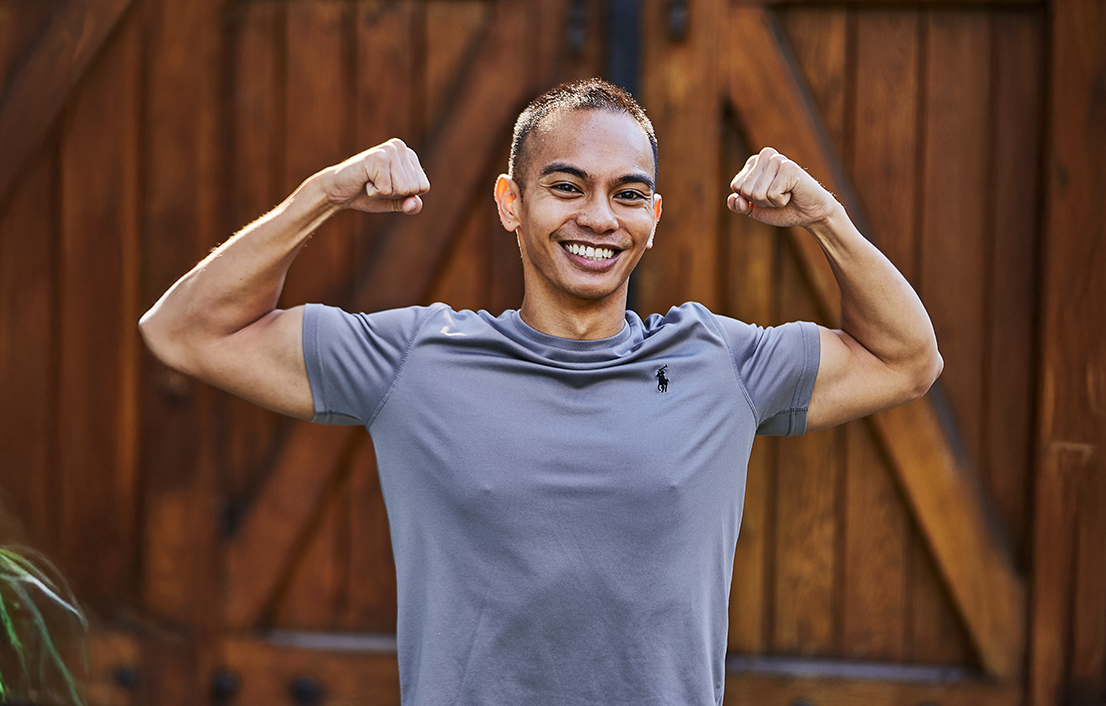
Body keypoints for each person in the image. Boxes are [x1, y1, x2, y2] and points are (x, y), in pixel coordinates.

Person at [140, 79, 941, 705]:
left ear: (653, 219)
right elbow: (185, 331)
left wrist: (827, 217)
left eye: (628, 194)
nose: (599, 216)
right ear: (511, 205)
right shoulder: (414, 359)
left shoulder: (720, 362)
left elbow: (909, 359)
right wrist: (321, 195)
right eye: (566, 187)